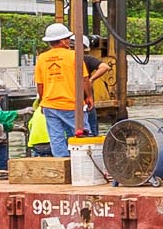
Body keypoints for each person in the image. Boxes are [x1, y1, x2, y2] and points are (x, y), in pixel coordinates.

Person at [33, 21, 110, 153]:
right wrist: (89, 96)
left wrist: (42, 101)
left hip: (50, 105)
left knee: (56, 138)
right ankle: (85, 165)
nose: (69, 41)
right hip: (71, 104)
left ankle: (62, 164)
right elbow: (84, 79)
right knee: (84, 137)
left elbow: (40, 84)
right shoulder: (74, 56)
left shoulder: (42, 58)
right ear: (62, 41)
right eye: (68, 38)